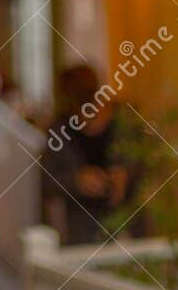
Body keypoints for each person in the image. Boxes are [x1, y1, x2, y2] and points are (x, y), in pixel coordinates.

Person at [42, 64, 137, 243]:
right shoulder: (59, 131)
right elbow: (47, 181)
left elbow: (150, 164)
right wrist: (76, 181)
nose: (89, 117)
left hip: (131, 226)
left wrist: (125, 174)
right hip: (84, 232)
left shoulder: (127, 121)